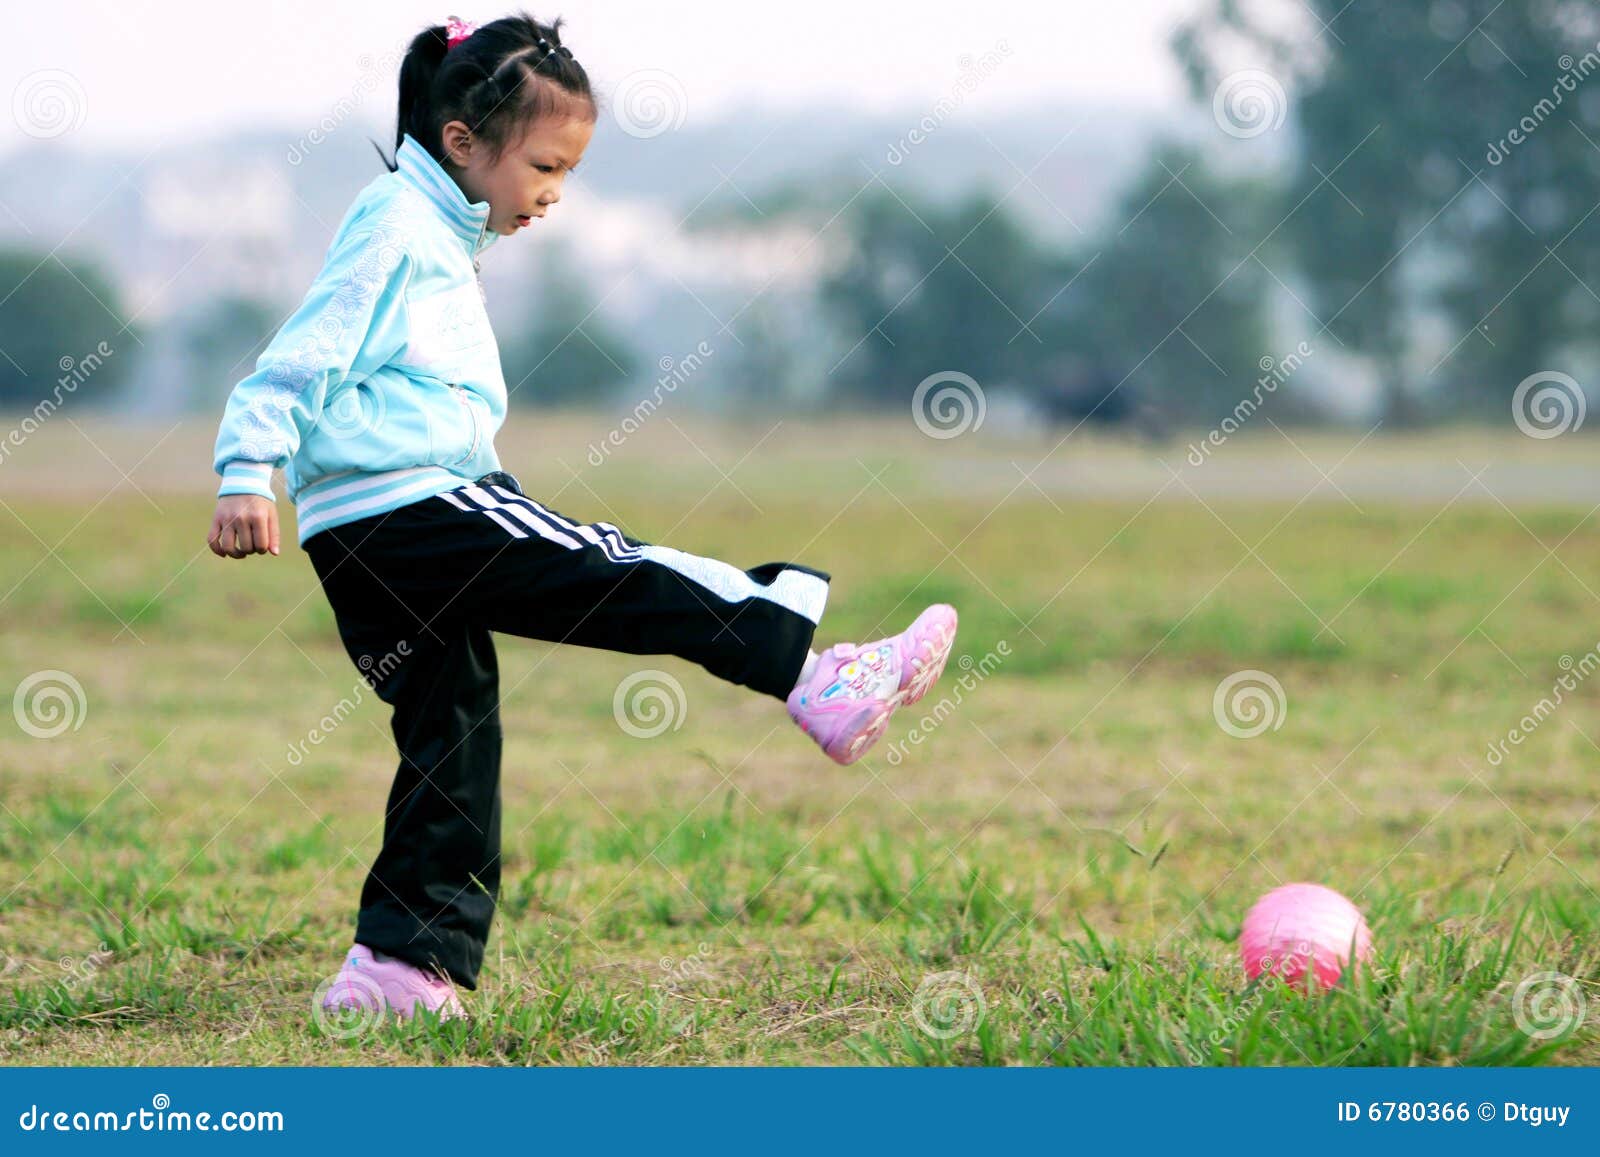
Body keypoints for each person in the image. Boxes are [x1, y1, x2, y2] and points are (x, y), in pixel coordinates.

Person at [205, 11, 958, 1022]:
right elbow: (306, 349)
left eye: (567, 173)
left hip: (362, 529)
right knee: (616, 570)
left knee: (451, 728)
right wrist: (248, 463)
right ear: (464, 142)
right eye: (545, 168)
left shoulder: (433, 227)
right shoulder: (395, 228)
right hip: (417, 506)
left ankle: (394, 966)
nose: (554, 196)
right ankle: (812, 672)